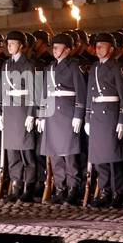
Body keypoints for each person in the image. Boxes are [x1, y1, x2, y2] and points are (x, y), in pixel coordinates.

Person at [36, 32, 86, 205]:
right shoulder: (50, 67)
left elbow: (81, 92)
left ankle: (73, 189)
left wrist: (78, 115)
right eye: (53, 47)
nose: (54, 50)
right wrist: (41, 115)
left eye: (57, 47)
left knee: (69, 155)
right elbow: (44, 93)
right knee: (55, 155)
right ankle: (60, 188)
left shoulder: (74, 66)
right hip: (52, 115)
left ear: (67, 49)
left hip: (67, 114)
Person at [85, 31, 123, 207]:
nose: (98, 49)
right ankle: (104, 191)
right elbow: (90, 94)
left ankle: (117, 192)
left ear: (111, 49)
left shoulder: (117, 67)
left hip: (111, 116)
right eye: (97, 46)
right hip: (97, 115)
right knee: (99, 158)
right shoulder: (95, 68)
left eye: (102, 46)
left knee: (114, 158)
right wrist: (88, 118)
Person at [0, 29, 38, 201]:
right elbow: (0, 89)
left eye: (13, 43)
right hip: (9, 111)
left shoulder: (28, 65)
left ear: (21, 45)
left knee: (26, 152)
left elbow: (34, 92)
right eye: (8, 44)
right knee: (12, 152)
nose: (10, 46)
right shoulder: (6, 65)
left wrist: (31, 114)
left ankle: (29, 186)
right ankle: (16, 184)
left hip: (22, 111)